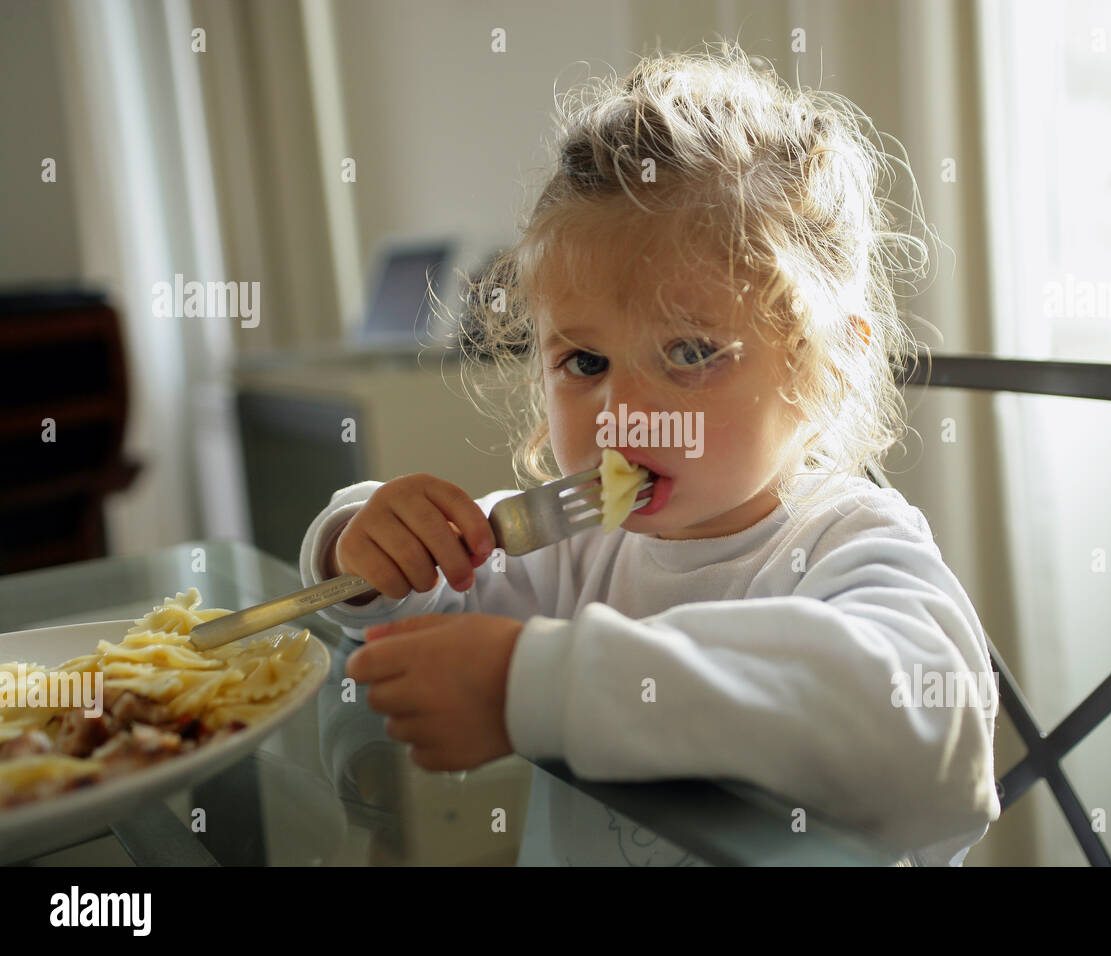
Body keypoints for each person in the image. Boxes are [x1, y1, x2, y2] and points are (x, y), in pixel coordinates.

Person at [299, 42, 1000, 866]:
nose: (624, 417)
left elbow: (934, 749)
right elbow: (415, 624)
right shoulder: (572, 540)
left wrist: (548, 686)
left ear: (826, 368)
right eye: (585, 364)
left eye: (693, 354)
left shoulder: (851, 546)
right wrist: (367, 549)